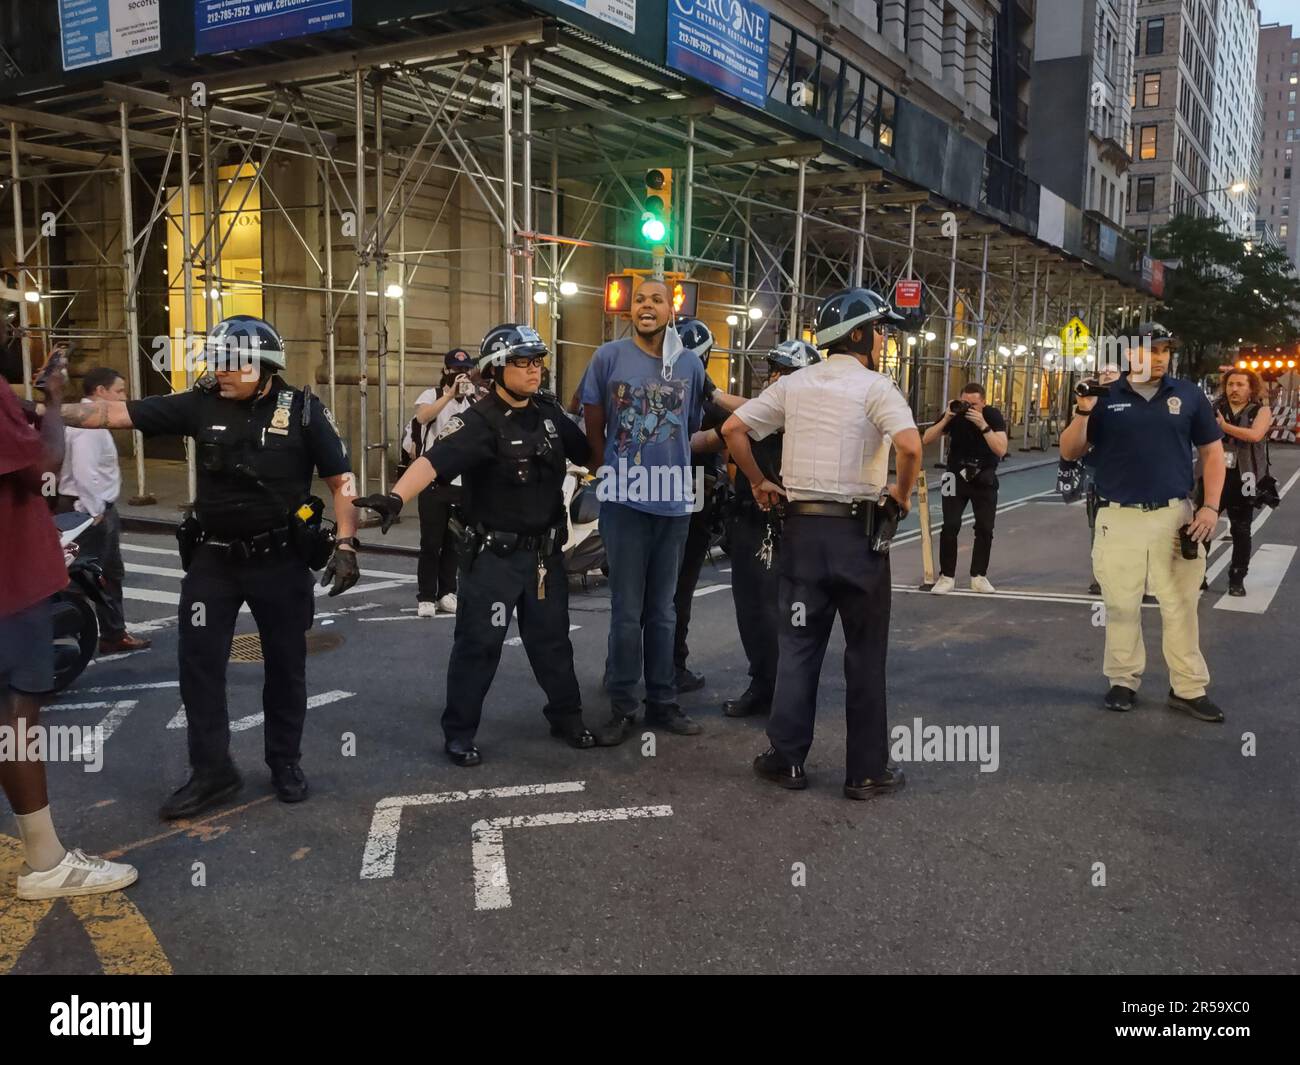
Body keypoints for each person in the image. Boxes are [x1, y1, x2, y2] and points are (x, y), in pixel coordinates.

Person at [57, 315, 361, 817]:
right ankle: (213, 773)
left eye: (231, 363)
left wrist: (347, 545)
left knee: (286, 667)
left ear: (264, 366)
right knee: (198, 666)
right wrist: (36, 410)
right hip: (213, 560)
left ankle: (284, 762)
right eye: (216, 361)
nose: (220, 370)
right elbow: (113, 415)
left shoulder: (305, 412)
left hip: (280, 561)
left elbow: (341, 481)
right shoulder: (199, 403)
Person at [353, 324, 597, 765]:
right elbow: (431, 462)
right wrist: (394, 498)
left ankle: (566, 716)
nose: (534, 370)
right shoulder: (479, 422)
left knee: (553, 642)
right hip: (493, 562)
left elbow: (587, 450)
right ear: (496, 369)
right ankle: (460, 732)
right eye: (522, 362)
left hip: (544, 558)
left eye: (537, 361)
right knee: (478, 646)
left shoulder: (547, 411)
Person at [723, 288, 922, 799]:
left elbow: (734, 428)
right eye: (879, 329)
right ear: (858, 334)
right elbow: (909, 445)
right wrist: (898, 495)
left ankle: (786, 760)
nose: (884, 338)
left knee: (798, 647)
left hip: (803, 534)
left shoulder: (795, 385)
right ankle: (866, 772)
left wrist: (758, 481)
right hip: (860, 537)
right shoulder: (878, 388)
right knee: (864, 654)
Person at [2, 352, 138, 899]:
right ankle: (46, 862)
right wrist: (54, 400)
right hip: (11, 576)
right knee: (14, 712)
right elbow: (44, 465)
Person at [1059, 321, 1225, 722]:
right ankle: (1122, 680)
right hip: (1118, 516)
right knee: (1120, 603)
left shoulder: (1187, 395)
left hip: (1174, 514)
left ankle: (1187, 687)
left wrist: (1209, 507)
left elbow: (1212, 453)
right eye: (1149, 349)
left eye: (1164, 350)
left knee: (1181, 605)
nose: (1158, 357)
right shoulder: (1104, 395)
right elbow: (1070, 450)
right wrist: (1083, 410)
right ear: (1128, 352)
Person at [580, 279, 709, 744]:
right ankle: (622, 706)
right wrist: (602, 468)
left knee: (663, 611)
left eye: (656, 300)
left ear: (670, 310)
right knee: (625, 611)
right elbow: (592, 414)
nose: (647, 307)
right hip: (625, 501)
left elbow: (690, 427)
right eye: (639, 301)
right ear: (629, 310)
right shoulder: (608, 357)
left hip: (674, 503)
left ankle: (663, 702)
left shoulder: (689, 364)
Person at [713, 339, 821, 720]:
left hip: (787, 521)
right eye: (775, 371)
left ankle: (785, 693)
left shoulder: (803, 410)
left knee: (785, 613)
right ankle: (761, 684)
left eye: (786, 372)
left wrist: (713, 391)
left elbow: (744, 413)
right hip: (748, 519)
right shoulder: (762, 410)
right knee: (750, 609)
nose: (777, 379)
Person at [668, 317, 746, 693]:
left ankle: (625, 666)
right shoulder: (707, 405)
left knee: (644, 592)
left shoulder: (648, 393)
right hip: (692, 508)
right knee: (679, 590)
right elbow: (742, 424)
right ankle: (672, 667)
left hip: (653, 503)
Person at [56, 366, 151, 654]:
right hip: (89, 510)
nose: (123, 397)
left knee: (104, 574)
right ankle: (78, 636)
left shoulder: (87, 418)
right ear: (100, 392)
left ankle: (111, 632)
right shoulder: (88, 425)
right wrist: (95, 510)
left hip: (89, 507)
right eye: (119, 390)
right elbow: (86, 470)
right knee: (89, 576)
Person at [921, 382, 1008, 594]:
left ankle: (979, 576)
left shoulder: (992, 415)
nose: (969, 408)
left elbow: (1001, 449)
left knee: (985, 527)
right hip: (954, 475)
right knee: (950, 525)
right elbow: (926, 438)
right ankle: (946, 576)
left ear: (984, 402)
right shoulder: (954, 413)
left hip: (984, 475)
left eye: (974, 404)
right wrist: (948, 417)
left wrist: (983, 425)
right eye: (965, 403)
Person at [409, 348, 477, 617]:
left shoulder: (472, 402)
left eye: (466, 369)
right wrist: (449, 394)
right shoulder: (432, 395)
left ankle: (447, 592)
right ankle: (426, 595)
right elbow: (422, 417)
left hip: (462, 482)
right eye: (456, 369)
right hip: (432, 480)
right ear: (446, 370)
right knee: (431, 542)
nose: (461, 374)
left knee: (454, 542)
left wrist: (470, 396)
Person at [1213, 368, 1272, 596]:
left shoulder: (1261, 411)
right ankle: (1198, 576)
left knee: (1241, 529)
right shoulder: (1215, 408)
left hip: (1245, 476)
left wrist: (1224, 428)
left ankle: (1237, 578)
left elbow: (1255, 435)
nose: (1234, 389)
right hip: (1214, 473)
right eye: (1230, 384)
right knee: (1201, 525)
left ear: (1251, 388)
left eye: (1240, 385)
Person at [1083, 363, 1122, 595]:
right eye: (1102, 371)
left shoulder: (1132, 401)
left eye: (1112, 371)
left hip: (1129, 473)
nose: (1106, 374)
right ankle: (1099, 577)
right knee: (1097, 526)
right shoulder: (1090, 401)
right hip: (1098, 471)